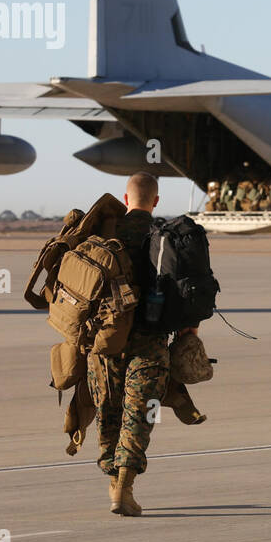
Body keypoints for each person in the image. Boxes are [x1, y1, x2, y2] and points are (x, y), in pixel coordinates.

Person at [87, 172, 198, 516]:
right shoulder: (165, 237)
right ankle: (124, 486)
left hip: (105, 342)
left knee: (108, 412)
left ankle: (113, 480)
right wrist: (187, 334)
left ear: (125, 199)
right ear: (156, 201)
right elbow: (186, 293)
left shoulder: (103, 235)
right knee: (139, 415)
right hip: (149, 343)